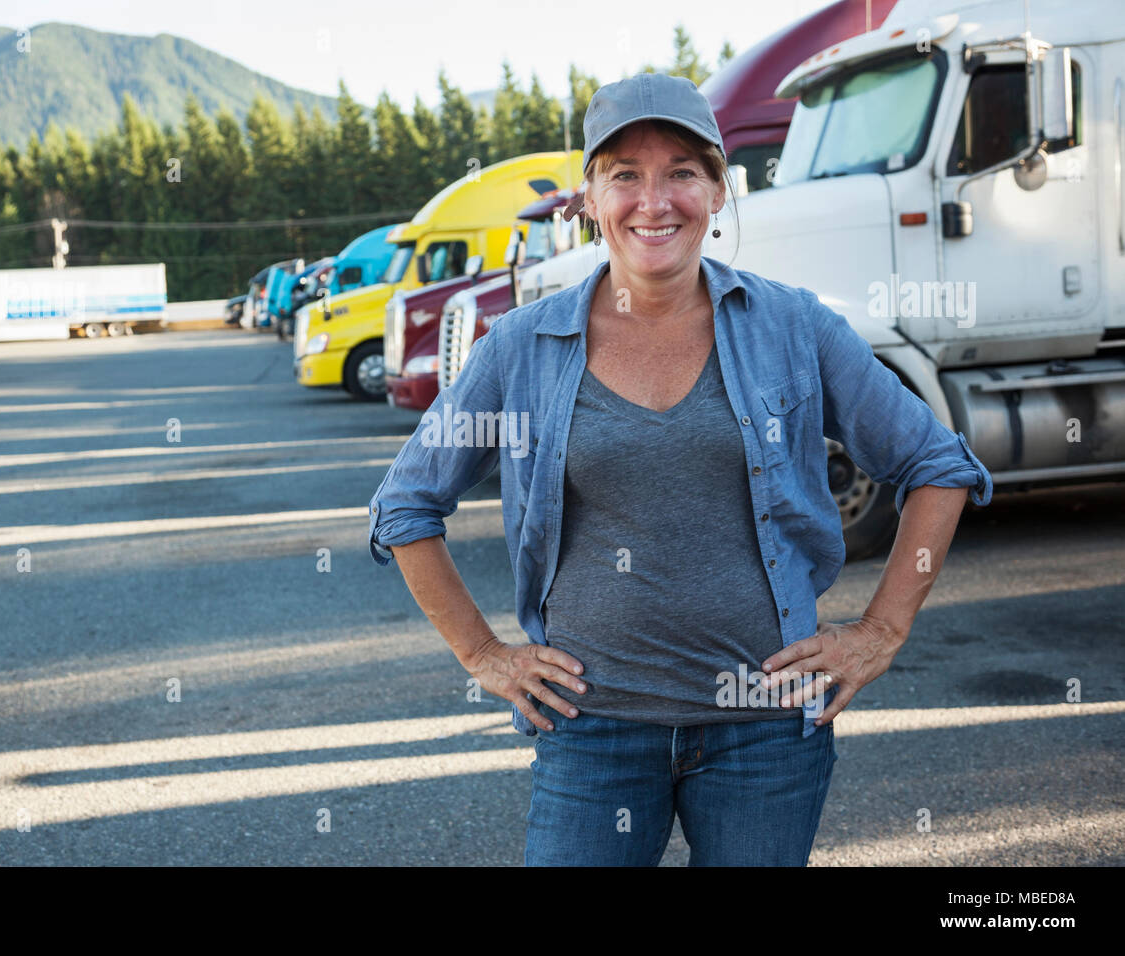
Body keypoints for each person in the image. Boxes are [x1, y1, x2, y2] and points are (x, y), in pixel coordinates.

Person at [367, 72, 993, 866]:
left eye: (682, 174)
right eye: (624, 174)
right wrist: (483, 656)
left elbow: (938, 466)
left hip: (765, 736)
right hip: (591, 735)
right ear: (588, 198)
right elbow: (405, 505)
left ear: (720, 192)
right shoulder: (522, 348)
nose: (653, 201)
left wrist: (882, 631)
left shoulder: (793, 327)